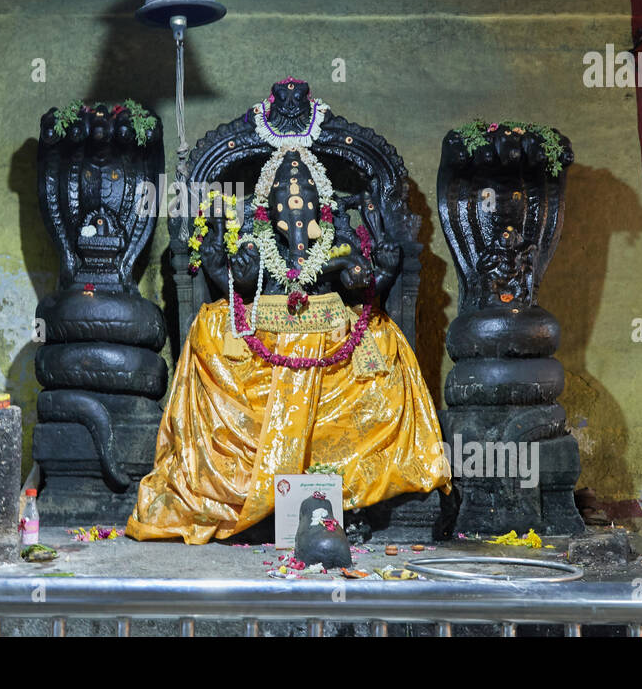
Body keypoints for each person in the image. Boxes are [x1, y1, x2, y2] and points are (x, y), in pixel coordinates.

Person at [126, 79, 450, 543]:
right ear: (268, 208)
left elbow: (365, 283)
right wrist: (218, 246)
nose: (294, 197)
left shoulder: (336, 246)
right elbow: (227, 279)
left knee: (384, 348)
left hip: (331, 334)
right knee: (210, 331)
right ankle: (248, 499)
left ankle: (352, 500)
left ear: (322, 204)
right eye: (285, 192)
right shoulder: (258, 247)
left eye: (303, 192)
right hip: (268, 336)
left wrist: (374, 265)